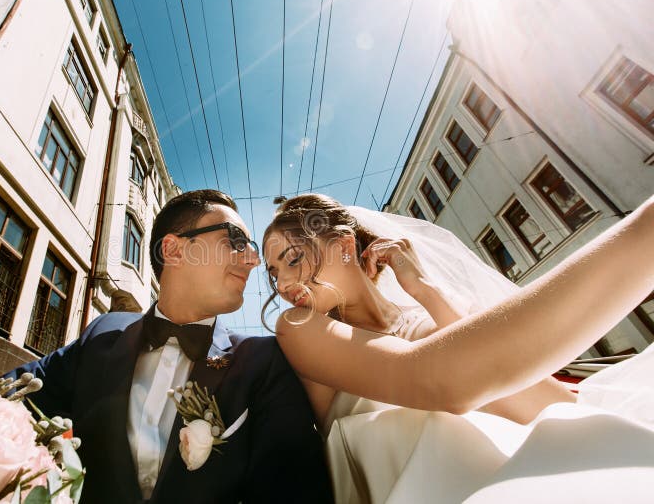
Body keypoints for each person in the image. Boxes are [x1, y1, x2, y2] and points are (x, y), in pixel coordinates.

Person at [262, 193, 654, 503]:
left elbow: (549, 405)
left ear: (345, 245)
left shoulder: (426, 316)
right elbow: (437, 381)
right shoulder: (299, 328)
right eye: (273, 273)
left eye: (293, 258)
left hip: (525, 470)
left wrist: (427, 291)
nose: (281, 285)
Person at [9, 190, 333, 504]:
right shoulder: (101, 333)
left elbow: (296, 488)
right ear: (174, 250)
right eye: (235, 241)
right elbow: (6, 401)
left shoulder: (265, 360)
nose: (252, 259)